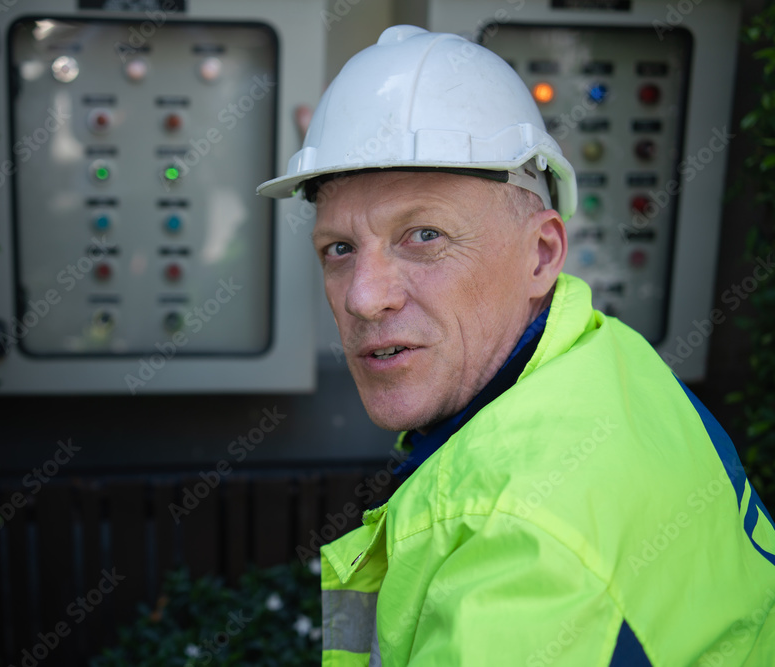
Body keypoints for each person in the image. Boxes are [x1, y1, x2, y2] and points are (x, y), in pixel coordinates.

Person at [258, 26, 775, 666]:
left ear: (541, 254)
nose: (364, 298)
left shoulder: (519, 542)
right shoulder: (607, 359)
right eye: (339, 249)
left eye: (424, 235)